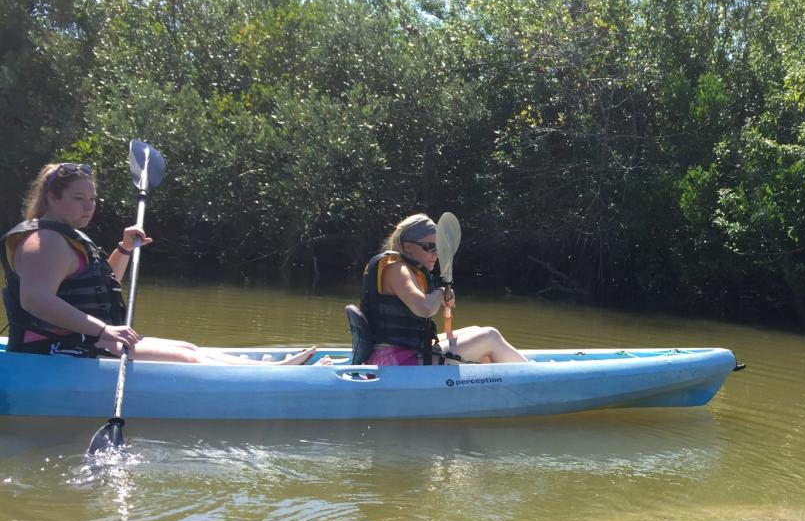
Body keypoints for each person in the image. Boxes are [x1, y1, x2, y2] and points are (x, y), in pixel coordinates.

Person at [2, 161, 321, 365]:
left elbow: (100, 285)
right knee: (187, 360)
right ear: (52, 198)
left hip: (84, 339)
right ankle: (273, 376)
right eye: (78, 199)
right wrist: (105, 329)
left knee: (188, 347)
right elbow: (35, 301)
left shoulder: (64, 237)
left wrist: (124, 248)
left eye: (93, 199)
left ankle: (269, 370)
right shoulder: (42, 243)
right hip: (53, 353)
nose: (89, 207)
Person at [361, 213, 527, 365]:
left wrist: (438, 295)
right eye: (429, 246)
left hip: (400, 356)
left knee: (477, 331)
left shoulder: (402, 268)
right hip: (395, 362)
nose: (436, 254)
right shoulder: (397, 269)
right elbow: (424, 309)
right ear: (408, 246)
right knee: (490, 336)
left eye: (438, 248)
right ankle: (531, 375)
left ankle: (495, 381)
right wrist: (440, 293)